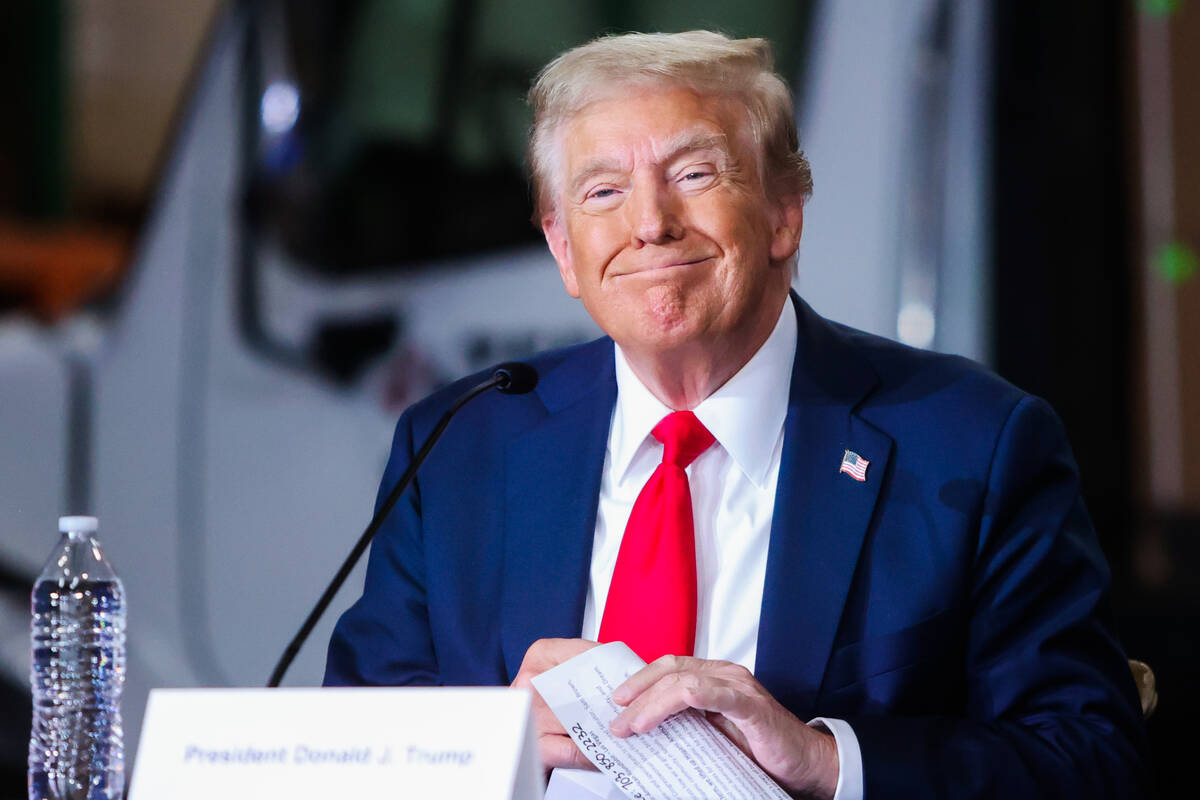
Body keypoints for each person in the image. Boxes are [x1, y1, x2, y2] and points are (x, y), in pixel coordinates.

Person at [325, 30, 1148, 799]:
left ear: (784, 215)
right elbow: (352, 749)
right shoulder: (460, 444)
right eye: (604, 191)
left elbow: (1090, 756)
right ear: (564, 250)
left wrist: (826, 759)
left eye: (693, 175)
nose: (650, 224)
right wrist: (490, 740)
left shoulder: (973, 443)